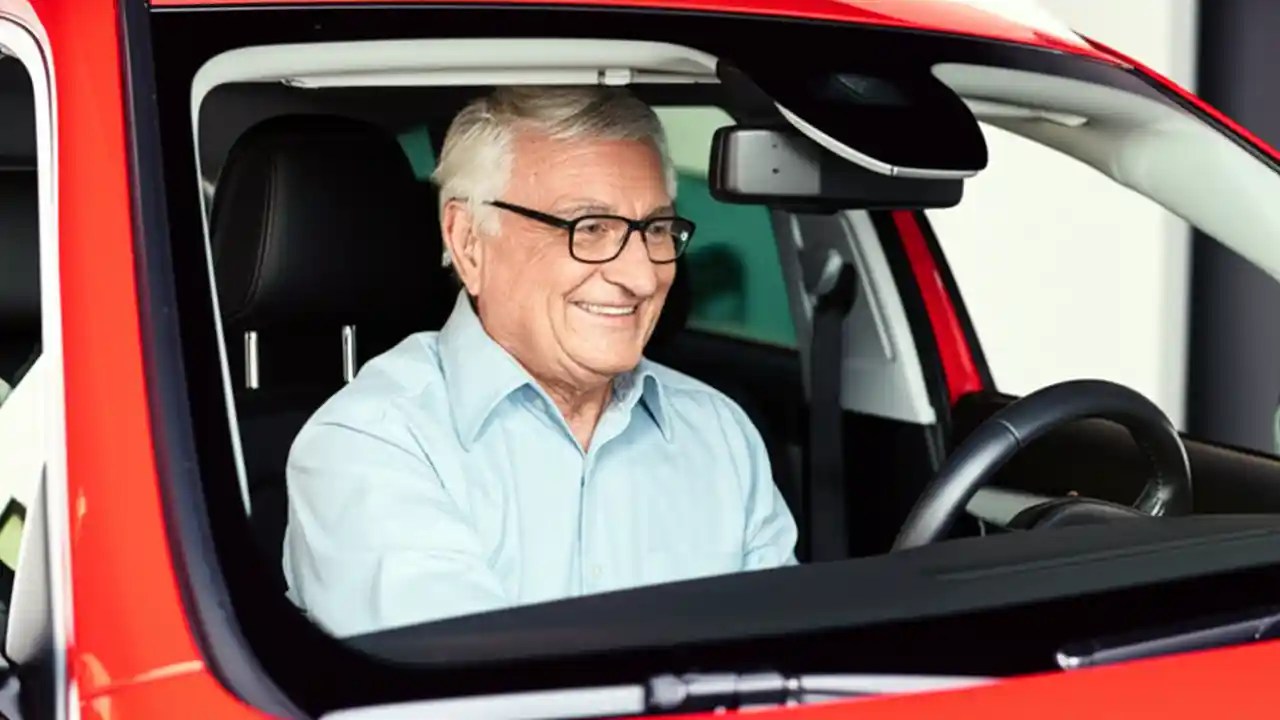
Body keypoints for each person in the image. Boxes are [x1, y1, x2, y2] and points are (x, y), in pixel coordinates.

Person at [282, 85, 798, 638]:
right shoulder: (371, 443)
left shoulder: (720, 434)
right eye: (590, 229)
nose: (643, 276)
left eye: (654, 230)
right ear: (469, 241)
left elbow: (794, 668)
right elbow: (471, 694)